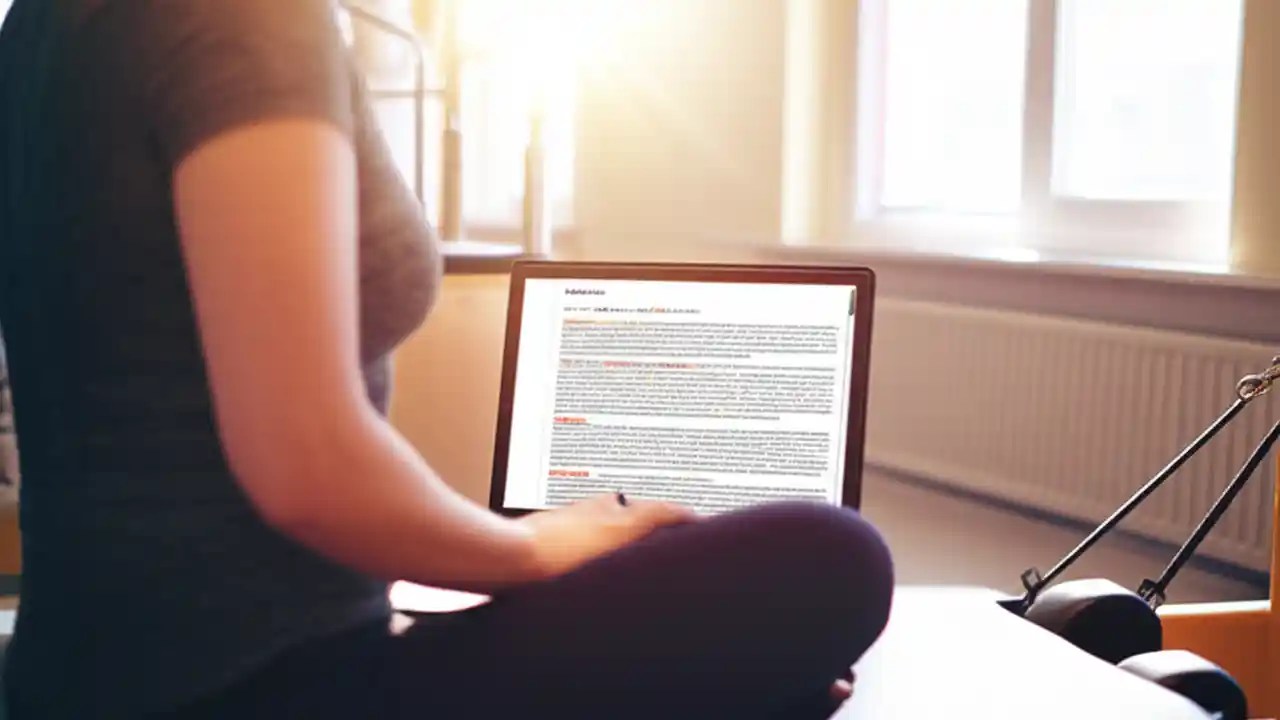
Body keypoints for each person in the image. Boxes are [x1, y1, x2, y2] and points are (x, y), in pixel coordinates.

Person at [0, 1, 894, 717]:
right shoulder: (246, 15)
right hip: (264, 686)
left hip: (74, 674)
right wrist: (536, 545)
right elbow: (306, 464)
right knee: (833, 557)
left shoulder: (40, 21)